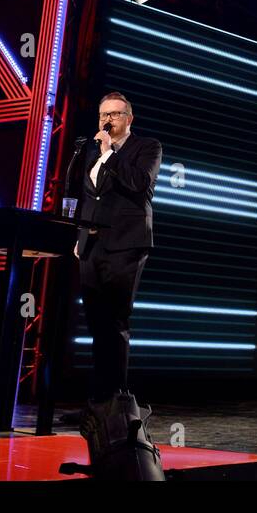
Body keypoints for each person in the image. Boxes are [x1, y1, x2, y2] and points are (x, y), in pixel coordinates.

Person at [71, 91, 162, 406]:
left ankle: (115, 399)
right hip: (91, 244)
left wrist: (110, 153)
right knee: (96, 321)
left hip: (126, 243)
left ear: (129, 118)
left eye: (115, 114)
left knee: (115, 320)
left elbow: (139, 183)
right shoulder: (91, 151)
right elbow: (88, 195)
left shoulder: (146, 148)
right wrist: (78, 236)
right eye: (103, 115)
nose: (107, 120)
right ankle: (98, 398)